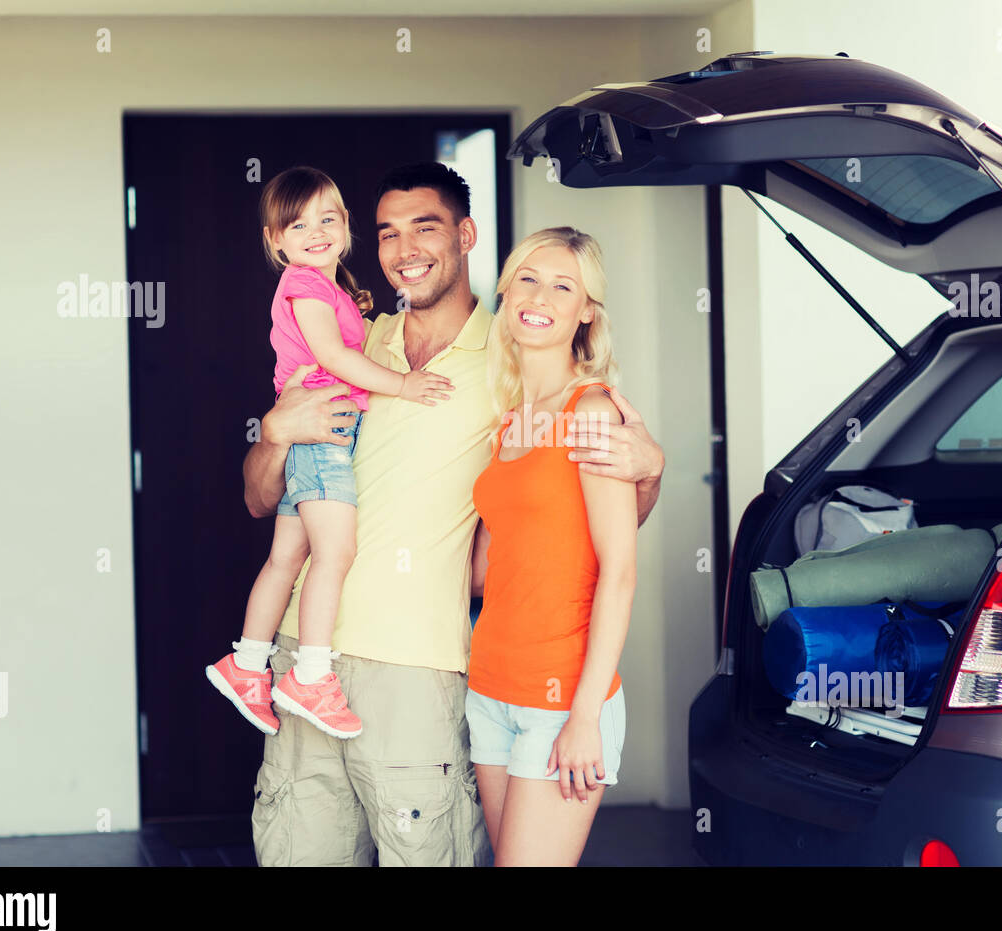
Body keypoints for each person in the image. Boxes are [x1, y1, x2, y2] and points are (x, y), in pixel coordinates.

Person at [241, 162, 665, 866]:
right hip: (302, 657)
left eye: (425, 228)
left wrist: (648, 470)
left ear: (466, 235)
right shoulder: (349, 345)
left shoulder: (512, 359)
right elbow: (260, 497)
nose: (405, 249)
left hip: (416, 668)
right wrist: (276, 430)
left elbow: (574, 517)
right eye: (387, 234)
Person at [205, 166, 452, 741]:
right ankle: (311, 676)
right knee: (334, 552)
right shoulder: (306, 286)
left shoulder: (328, 287)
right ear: (275, 240)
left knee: (287, 557)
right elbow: (334, 358)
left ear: (345, 226)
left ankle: (246, 665)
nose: (315, 231)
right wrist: (403, 385)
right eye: (297, 225)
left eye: (328, 218)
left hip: (314, 441)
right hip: (324, 439)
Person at [467, 227, 633, 866]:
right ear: (506, 293)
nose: (540, 296)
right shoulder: (507, 420)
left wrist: (585, 717)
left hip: (561, 701)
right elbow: (494, 566)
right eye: (527, 279)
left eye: (564, 285)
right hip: (489, 690)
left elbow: (618, 571)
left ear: (586, 310)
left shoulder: (592, 410)